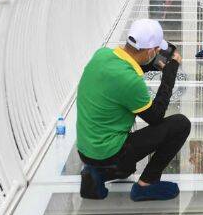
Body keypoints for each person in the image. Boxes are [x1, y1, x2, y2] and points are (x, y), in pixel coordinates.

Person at [75, 19, 190, 201]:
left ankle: (96, 173)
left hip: (85, 150)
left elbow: (129, 67)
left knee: (126, 168)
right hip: (108, 153)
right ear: (151, 51)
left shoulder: (102, 54)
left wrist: (155, 64)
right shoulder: (130, 81)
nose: (158, 54)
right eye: (157, 51)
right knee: (181, 124)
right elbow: (156, 116)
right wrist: (170, 72)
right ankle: (147, 185)